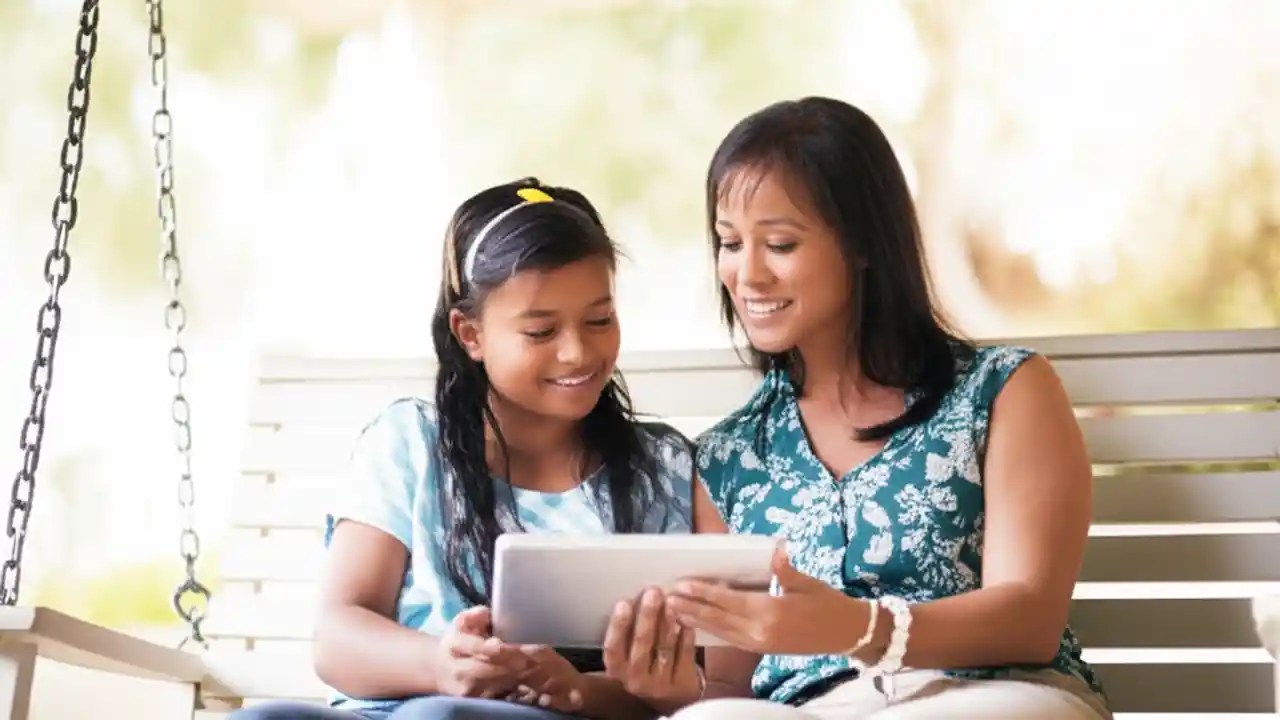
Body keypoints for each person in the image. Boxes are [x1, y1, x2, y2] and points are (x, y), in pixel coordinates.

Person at [615, 97, 1113, 719]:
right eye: (729, 242)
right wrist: (661, 688)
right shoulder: (727, 456)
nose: (747, 274)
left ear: (863, 244)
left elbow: (1030, 619)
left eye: (779, 243)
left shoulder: (1003, 390)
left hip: (990, 696)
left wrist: (858, 627)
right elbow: (728, 686)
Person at [231, 178, 698, 720]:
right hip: (388, 710)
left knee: (439, 717)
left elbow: (694, 683)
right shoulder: (410, 443)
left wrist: (577, 690)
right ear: (470, 334)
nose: (577, 352)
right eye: (541, 332)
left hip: (540, 715)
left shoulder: (658, 471)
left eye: (599, 320)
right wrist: (441, 666)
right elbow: (338, 634)